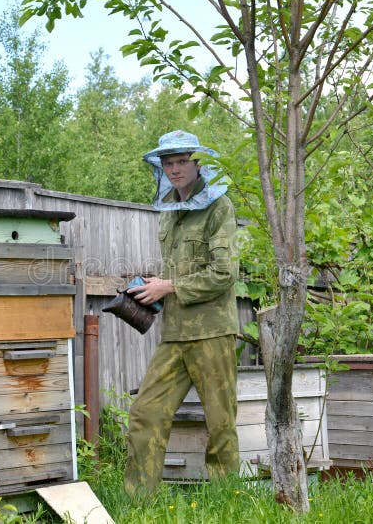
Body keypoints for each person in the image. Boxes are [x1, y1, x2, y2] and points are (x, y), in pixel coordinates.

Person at [124, 130, 240, 497]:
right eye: (168, 163)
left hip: (211, 332)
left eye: (181, 162)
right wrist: (153, 288)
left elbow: (224, 273)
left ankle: (227, 502)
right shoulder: (169, 214)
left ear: (197, 163)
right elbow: (179, 273)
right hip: (174, 333)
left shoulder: (219, 207)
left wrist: (169, 287)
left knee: (220, 423)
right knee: (146, 413)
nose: (174, 169)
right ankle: (138, 503)